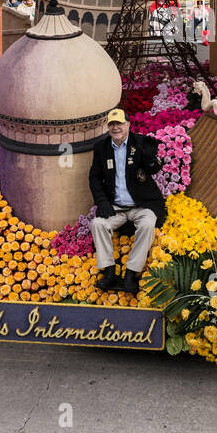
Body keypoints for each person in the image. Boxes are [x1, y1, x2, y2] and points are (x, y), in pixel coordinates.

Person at [88, 108, 167, 294]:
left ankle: (132, 272)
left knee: (148, 223)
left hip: (142, 203)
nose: (116, 128)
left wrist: (149, 158)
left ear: (128, 125)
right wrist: (102, 201)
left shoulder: (139, 142)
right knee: (98, 224)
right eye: (112, 124)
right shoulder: (102, 148)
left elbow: (154, 169)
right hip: (116, 206)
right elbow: (95, 178)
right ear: (108, 127)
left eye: (119, 123)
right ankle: (109, 271)